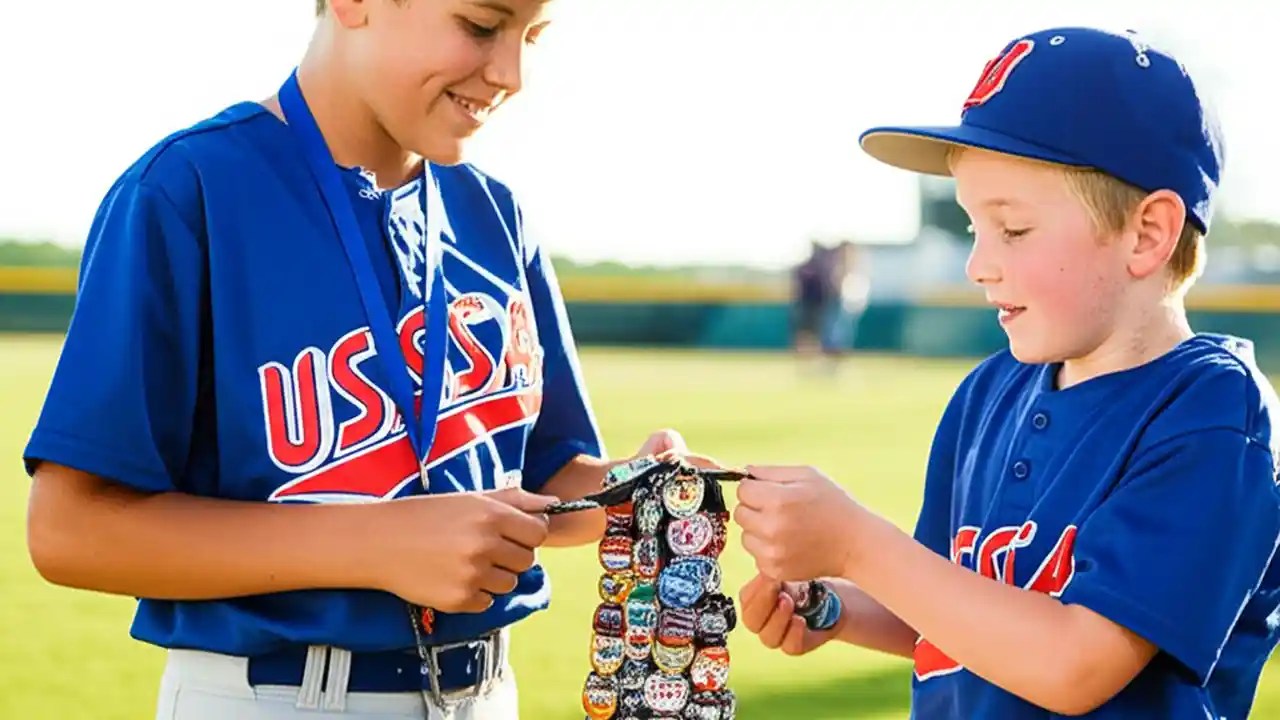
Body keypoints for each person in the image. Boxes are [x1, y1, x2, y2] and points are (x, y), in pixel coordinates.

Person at [22, 1, 682, 718]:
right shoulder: (189, 189)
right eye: (481, 25)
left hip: (487, 692)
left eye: (533, 36)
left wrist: (639, 487)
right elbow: (71, 531)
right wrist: (377, 542)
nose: (512, 74)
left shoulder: (493, 212)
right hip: (280, 694)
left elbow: (547, 482)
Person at [732, 26, 1280, 719]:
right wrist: (836, 605)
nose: (978, 265)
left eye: (1013, 230)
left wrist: (857, 545)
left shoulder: (1210, 413)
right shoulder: (989, 394)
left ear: (1146, 234)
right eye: (974, 230)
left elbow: (1075, 664)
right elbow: (958, 610)